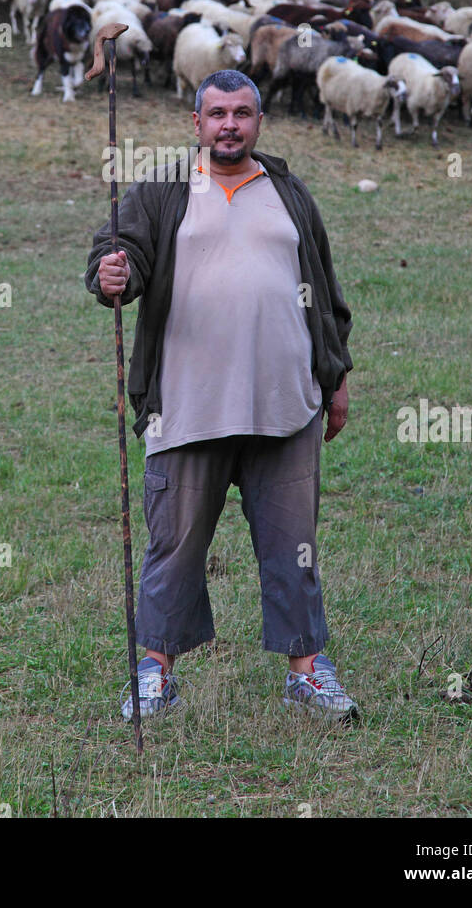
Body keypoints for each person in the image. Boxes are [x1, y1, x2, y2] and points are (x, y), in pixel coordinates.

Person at [84, 68, 357, 722]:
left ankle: (307, 671)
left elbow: (324, 292)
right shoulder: (162, 191)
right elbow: (115, 259)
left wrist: (337, 377)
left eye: (241, 113)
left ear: (259, 122)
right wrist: (111, 273)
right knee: (173, 545)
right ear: (197, 123)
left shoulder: (288, 193)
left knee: (294, 545)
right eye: (217, 114)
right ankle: (155, 675)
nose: (229, 124)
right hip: (187, 407)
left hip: (287, 403)